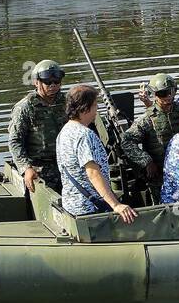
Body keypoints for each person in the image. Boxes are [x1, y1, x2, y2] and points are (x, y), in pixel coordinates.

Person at [55, 85, 138, 222]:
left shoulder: (65, 131)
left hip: (72, 206)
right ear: (84, 108)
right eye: (94, 105)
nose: (96, 109)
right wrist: (115, 205)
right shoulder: (84, 135)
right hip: (90, 210)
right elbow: (93, 173)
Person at [123, 72, 179, 202]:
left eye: (171, 91)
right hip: (159, 177)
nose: (168, 96)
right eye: (163, 93)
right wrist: (146, 161)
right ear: (155, 95)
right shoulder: (147, 119)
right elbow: (127, 141)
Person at [8, 59, 68, 193]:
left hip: (66, 163)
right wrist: (26, 168)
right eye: (47, 82)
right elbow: (15, 141)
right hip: (40, 167)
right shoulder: (25, 107)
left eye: (56, 81)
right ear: (36, 82)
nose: (53, 85)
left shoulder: (67, 102)